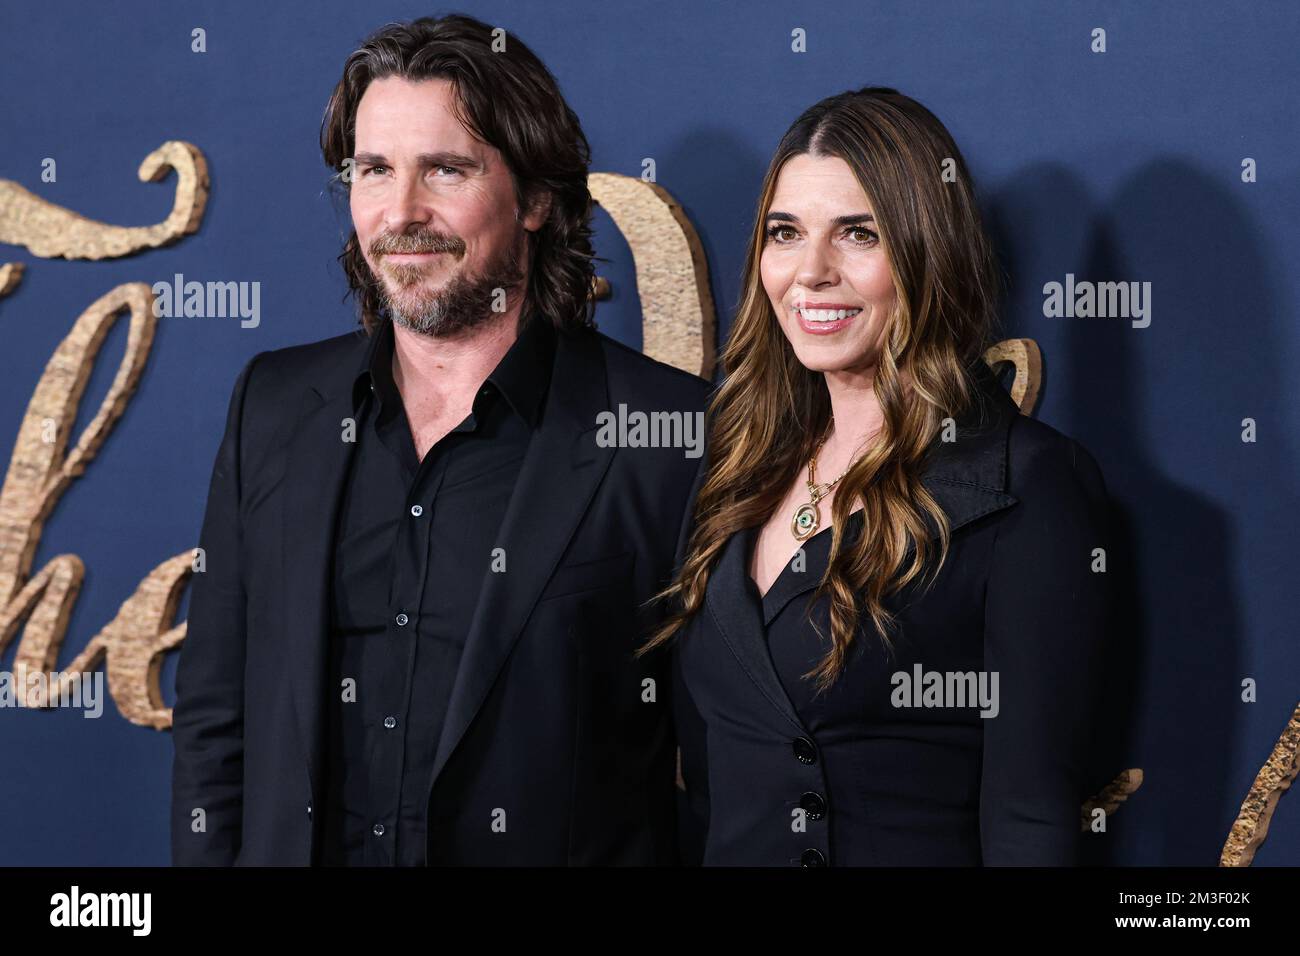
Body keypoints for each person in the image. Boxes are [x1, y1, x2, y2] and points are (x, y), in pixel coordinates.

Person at [171, 14, 710, 866]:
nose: (401, 212)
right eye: (374, 170)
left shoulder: (670, 436)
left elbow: (721, 777)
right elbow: (215, 726)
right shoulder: (273, 406)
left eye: (445, 171)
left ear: (536, 198)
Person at [645, 87, 1115, 866]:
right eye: (784, 233)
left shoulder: (1027, 485)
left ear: (929, 251)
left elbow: (1030, 821)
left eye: (858, 234)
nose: (811, 272)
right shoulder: (733, 467)